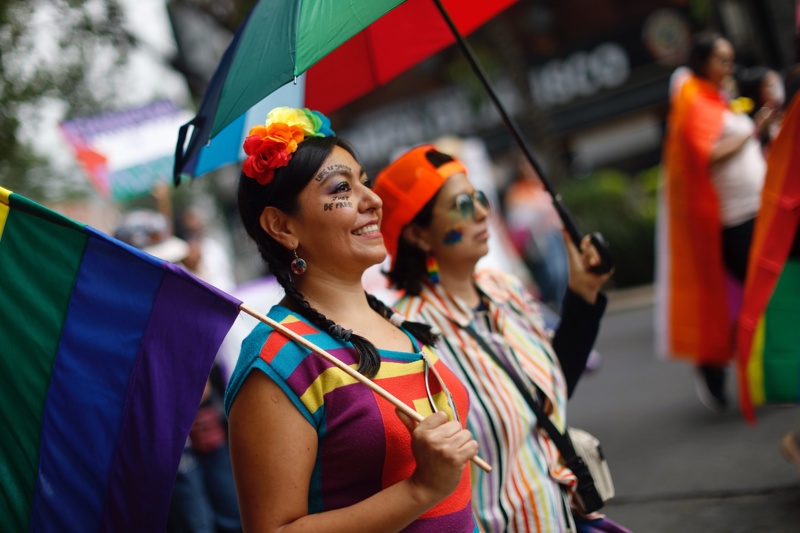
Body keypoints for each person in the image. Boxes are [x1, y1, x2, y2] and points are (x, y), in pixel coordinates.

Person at [222, 107, 481, 532]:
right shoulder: (280, 360)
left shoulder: (398, 323)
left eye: (365, 180)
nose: (373, 201)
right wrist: (420, 490)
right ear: (282, 226)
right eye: (343, 188)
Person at [372, 145, 627, 533]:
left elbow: (546, 393)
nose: (482, 212)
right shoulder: (411, 332)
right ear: (420, 235)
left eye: (480, 197)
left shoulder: (504, 288)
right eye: (461, 204)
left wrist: (583, 293)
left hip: (563, 517)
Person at [655, 31, 766, 412]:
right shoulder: (695, 101)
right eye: (722, 60)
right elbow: (707, 154)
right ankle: (722, 367)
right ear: (703, 63)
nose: (729, 66)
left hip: (753, 211)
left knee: (751, 297)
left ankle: (737, 368)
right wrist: (754, 130)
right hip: (731, 219)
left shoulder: (714, 97)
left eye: (730, 59)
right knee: (750, 297)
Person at [114, 210, 243, 533]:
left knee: (234, 511)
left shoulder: (188, 298)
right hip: (168, 438)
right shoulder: (125, 320)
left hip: (209, 420)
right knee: (196, 522)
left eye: (174, 263)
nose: (172, 270)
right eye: (161, 264)